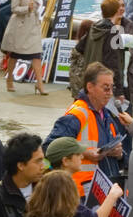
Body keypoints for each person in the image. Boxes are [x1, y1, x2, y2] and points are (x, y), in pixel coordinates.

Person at [45, 62, 127, 196]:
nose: (110, 93)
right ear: (90, 87)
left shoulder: (107, 116)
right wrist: (85, 153)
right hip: (80, 195)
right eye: (106, 88)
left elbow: (123, 157)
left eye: (112, 88)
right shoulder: (77, 116)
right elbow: (49, 148)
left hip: (102, 192)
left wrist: (120, 155)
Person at [1, 0, 46, 95]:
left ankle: (40, 84)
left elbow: (38, 3)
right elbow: (14, 8)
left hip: (32, 26)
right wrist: (27, 8)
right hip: (21, 28)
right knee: (14, 55)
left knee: (36, 55)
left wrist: (36, 6)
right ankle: (9, 79)